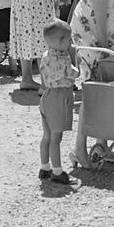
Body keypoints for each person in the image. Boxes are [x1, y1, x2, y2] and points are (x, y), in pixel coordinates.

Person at [37, 19, 79, 186]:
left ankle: (44, 167)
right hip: (59, 98)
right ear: (62, 41)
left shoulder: (46, 56)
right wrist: (74, 55)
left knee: (46, 135)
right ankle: (57, 171)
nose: (71, 42)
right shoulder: (63, 60)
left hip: (46, 96)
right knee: (56, 137)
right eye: (69, 39)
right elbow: (75, 74)